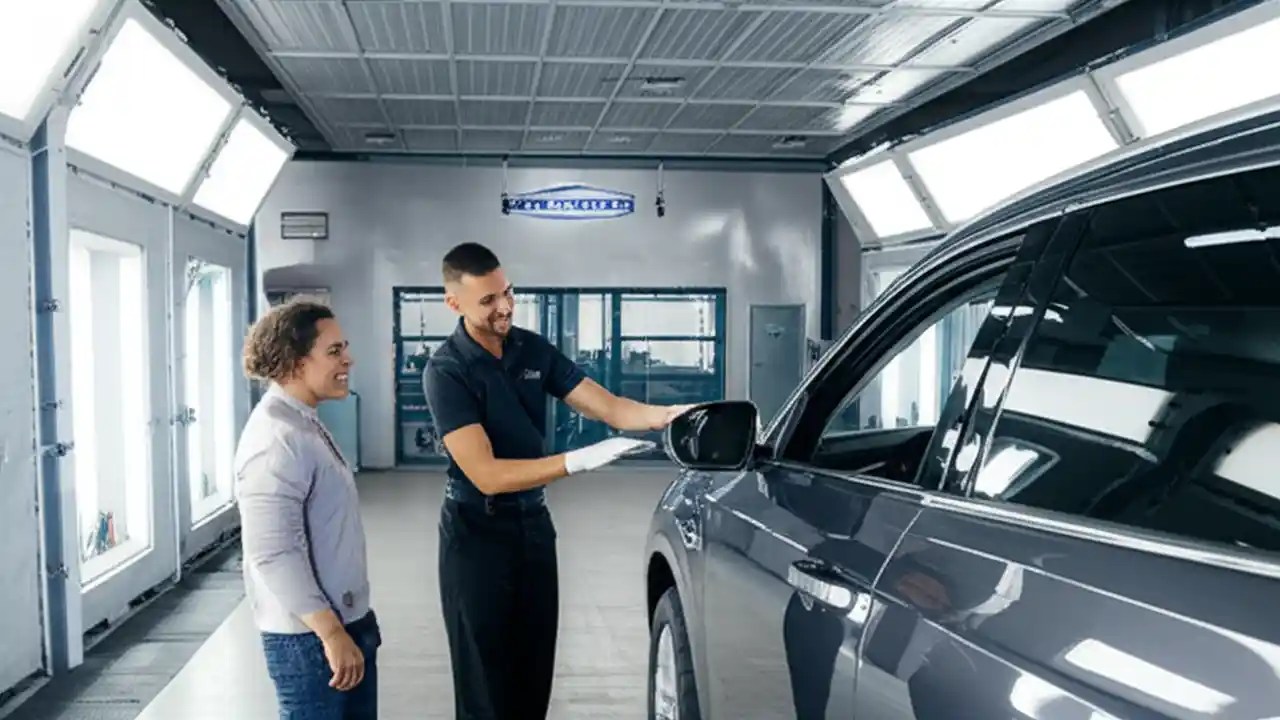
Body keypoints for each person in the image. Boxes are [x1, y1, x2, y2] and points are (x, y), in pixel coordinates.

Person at [423, 242, 693, 719]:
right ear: (454, 303)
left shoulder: (530, 348)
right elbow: (486, 475)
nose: (505, 306)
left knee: (533, 676)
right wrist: (573, 462)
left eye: (507, 292)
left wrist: (673, 414)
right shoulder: (447, 371)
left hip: (533, 526)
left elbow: (610, 407)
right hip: (476, 532)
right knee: (485, 686)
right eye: (488, 300)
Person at [234, 298, 380, 720]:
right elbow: (272, 551)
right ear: (295, 362)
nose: (348, 359)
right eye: (334, 351)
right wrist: (331, 633)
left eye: (344, 348)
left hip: (342, 625)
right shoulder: (275, 439)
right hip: (310, 639)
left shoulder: (302, 422)